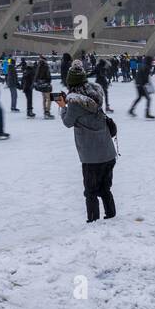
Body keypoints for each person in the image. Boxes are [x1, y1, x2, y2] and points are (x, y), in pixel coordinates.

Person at [57, 62, 116, 222]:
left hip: (91, 157)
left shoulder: (75, 104)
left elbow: (67, 122)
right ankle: (111, 216)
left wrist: (63, 106)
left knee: (90, 192)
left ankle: (93, 222)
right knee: (105, 189)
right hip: (108, 152)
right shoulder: (95, 95)